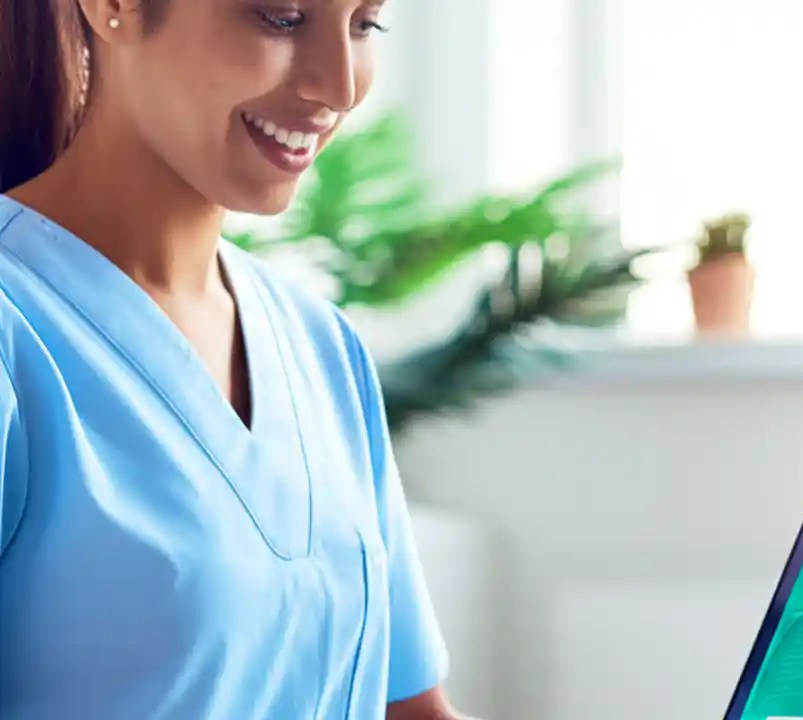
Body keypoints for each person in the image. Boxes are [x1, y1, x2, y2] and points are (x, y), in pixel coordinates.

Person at [0, 2, 473, 718]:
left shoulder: (323, 348)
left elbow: (411, 710)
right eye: (282, 18)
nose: (339, 86)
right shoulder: (16, 334)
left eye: (363, 24)